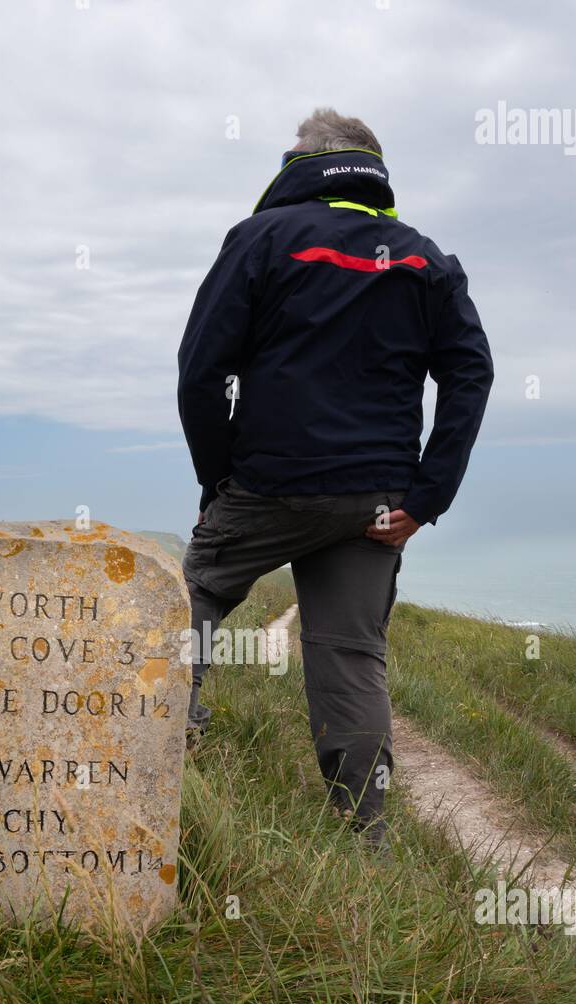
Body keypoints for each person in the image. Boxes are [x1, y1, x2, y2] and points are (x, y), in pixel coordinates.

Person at [177, 107, 493, 845]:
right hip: (375, 501)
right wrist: (424, 500)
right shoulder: (428, 261)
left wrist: (219, 480)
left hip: (267, 483)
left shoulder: (260, 239)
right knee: (350, 655)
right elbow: (470, 378)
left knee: (193, 597)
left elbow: (200, 373)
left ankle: (167, 740)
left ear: (305, 162)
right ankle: (366, 837)